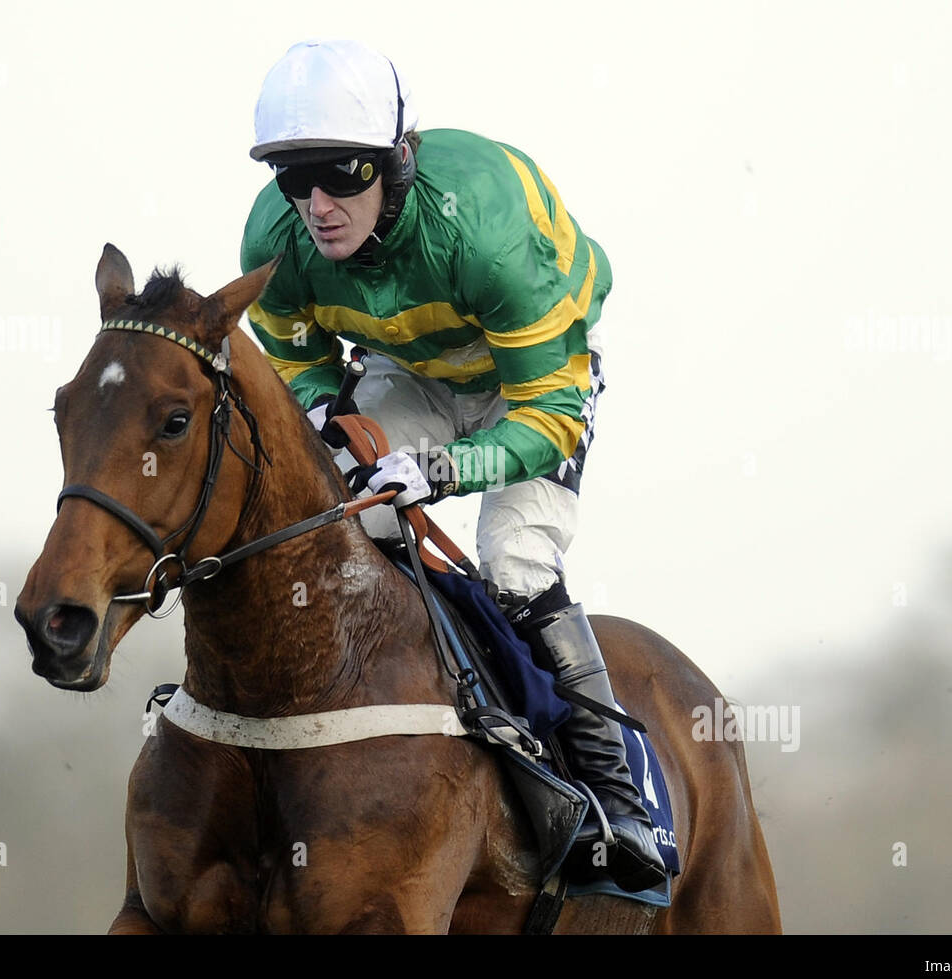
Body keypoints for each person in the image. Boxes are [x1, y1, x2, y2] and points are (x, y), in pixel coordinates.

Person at [240, 39, 665, 894]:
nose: (318, 206)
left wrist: (441, 468)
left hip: (535, 380)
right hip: (413, 370)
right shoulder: (273, 238)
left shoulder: (487, 234)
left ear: (396, 160)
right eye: (295, 178)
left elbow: (545, 414)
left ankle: (620, 800)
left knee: (515, 560)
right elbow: (297, 358)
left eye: (343, 173)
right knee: (350, 518)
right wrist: (329, 411)